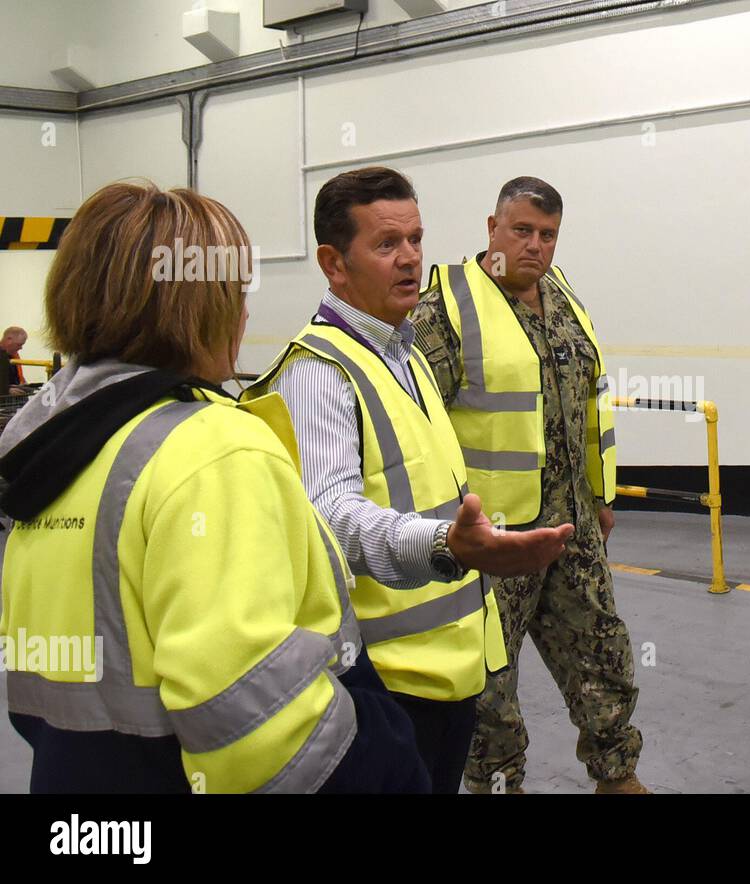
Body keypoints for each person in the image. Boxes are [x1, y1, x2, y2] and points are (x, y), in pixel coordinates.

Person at [0, 181, 429, 793]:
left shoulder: (55, 450)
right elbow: (257, 726)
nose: (244, 310)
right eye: (234, 291)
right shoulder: (211, 451)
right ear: (197, 304)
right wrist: (385, 760)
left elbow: (41, 697)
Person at [246, 166, 571, 794]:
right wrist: (445, 545)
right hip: (384, 685)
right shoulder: (320, 373)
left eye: (416, 240)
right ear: (332, 263)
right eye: (387, 245)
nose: (410, 259)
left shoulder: (409, 355)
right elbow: (329, 519)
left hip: (450, 674)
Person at [411, 176, 646, 794]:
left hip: (571, 527)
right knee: (489, 679)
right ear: (492, 228)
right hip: (494, 538)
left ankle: (617, 775)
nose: (535, 246)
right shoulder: (445, 310)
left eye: (547, 235)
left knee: (602, 652)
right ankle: (497, 783)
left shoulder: (563, 296)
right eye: (522, 231)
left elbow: (592, 400)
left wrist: (601, 496)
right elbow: (418, 426)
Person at [3, 326, 28, 394]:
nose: (21, 348)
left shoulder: (14, 355)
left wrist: (24, 383)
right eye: (19, 345)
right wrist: (6, 390)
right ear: (9, 339)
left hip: (13, 399)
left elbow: (17, 376)